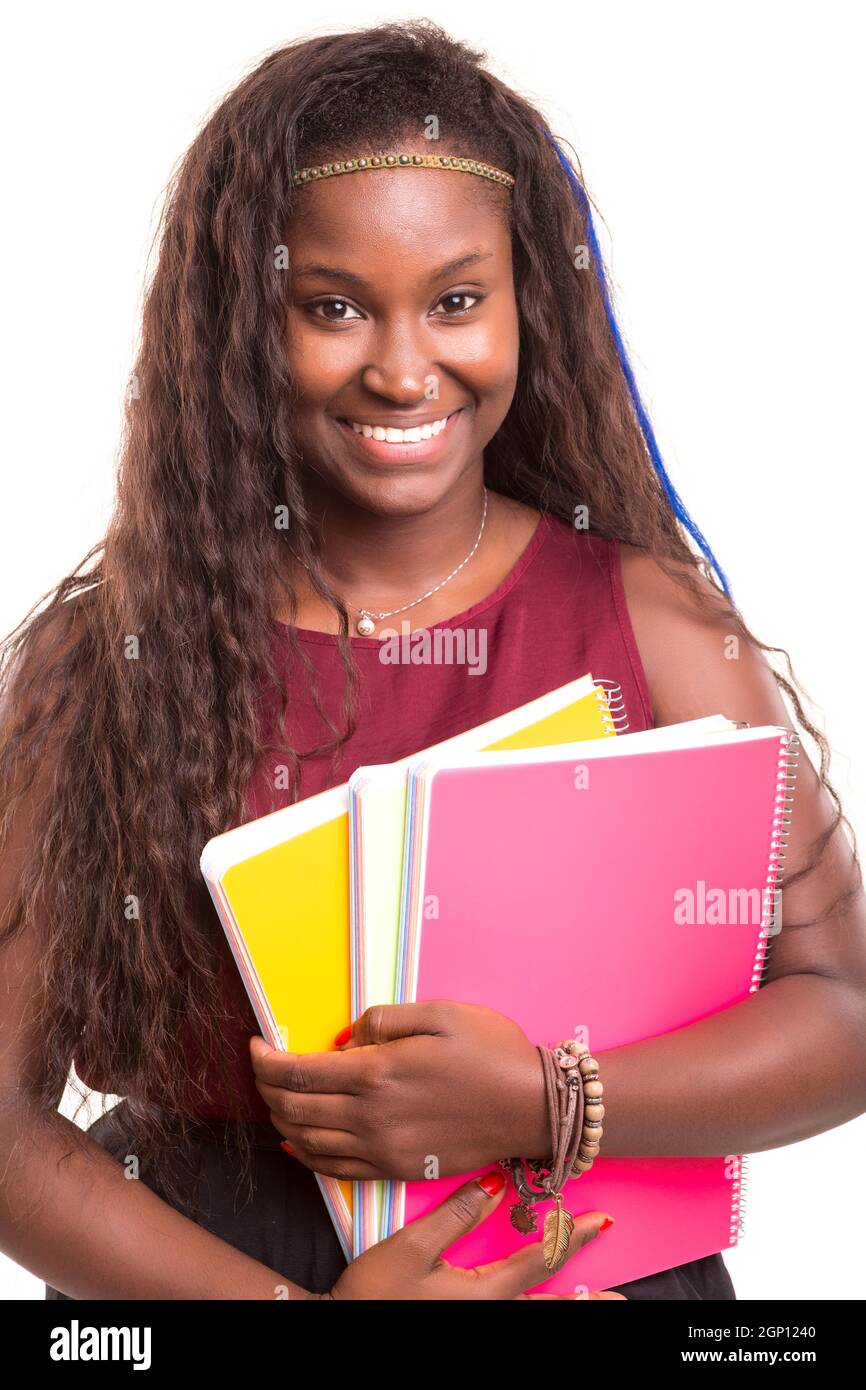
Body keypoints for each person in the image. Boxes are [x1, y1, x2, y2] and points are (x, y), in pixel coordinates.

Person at [2, 20, 864, 1303]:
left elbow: (840, 1009)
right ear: (246, 326)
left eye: (455, 300)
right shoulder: (108, 665)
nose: (406, 369)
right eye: (334, 308)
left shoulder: (658, 632)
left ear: (527, 304)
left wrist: (540, 1095)